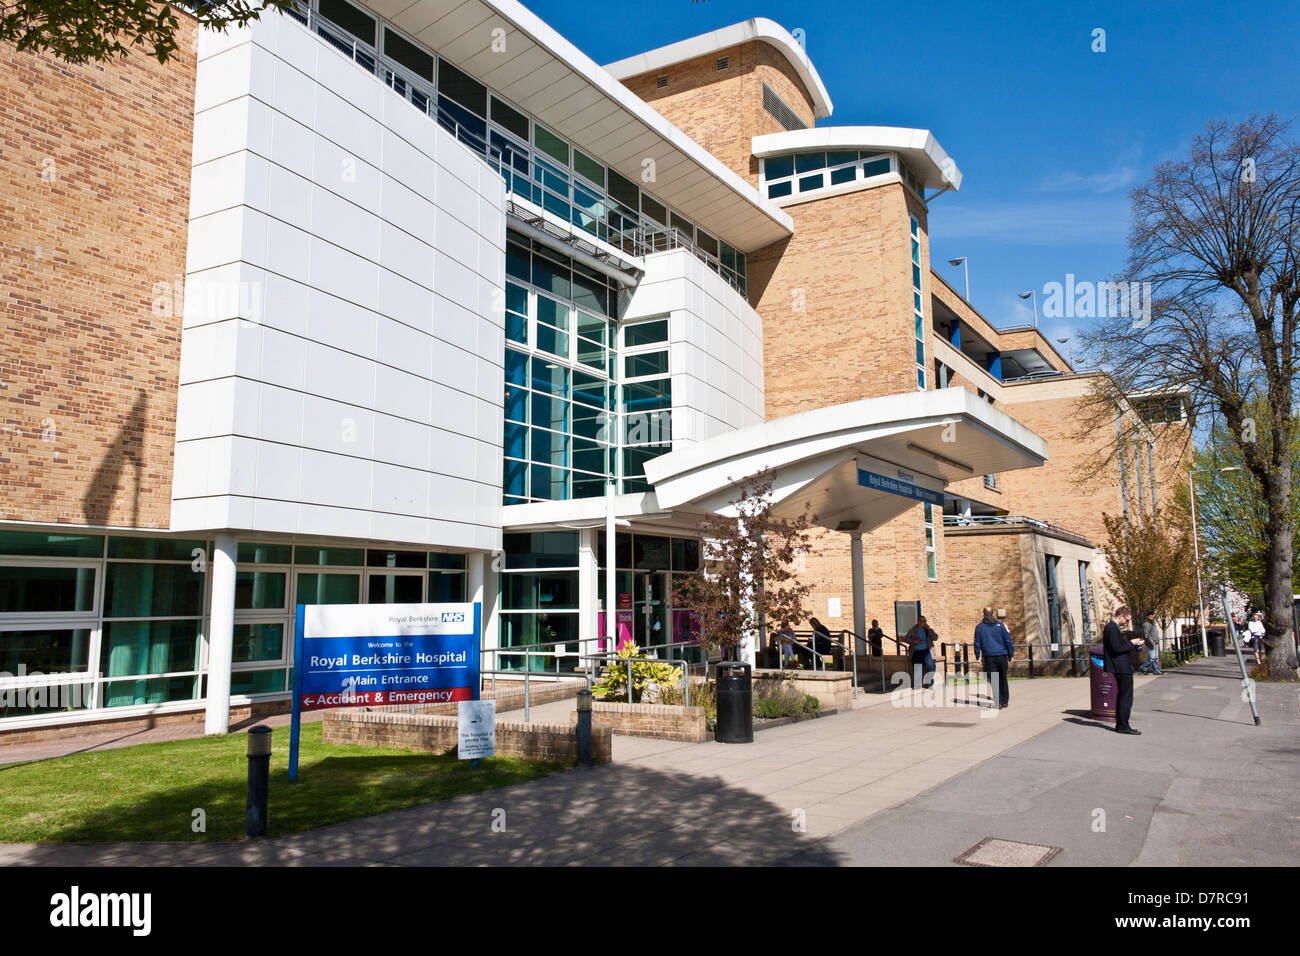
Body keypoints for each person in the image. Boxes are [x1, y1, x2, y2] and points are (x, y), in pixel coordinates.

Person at [1103, 605, 1144, 735]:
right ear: (1121, 616)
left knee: (1124, 696)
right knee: (1126, 697)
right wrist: (1131, 643)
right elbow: (1117, 648)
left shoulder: (1113, 628)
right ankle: (1123, 725)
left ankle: (1122, 724)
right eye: (1127, 620)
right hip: (1120, 667)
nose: (1127, 623)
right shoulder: (1112, 628)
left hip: (1121, 666)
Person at [973, 606, 1013, 708]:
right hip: (1002, 655)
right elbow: (1007, 641)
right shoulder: (1000, 626)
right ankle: (1004, 701)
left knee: (994, 680)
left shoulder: (979, 627)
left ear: (984, 614)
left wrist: (978, 656)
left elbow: (977, 643)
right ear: (993, 614)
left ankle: (998, 701)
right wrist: (1010, 654)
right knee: (1003, 678)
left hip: (989, 656)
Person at [903, 616, 938, 688]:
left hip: (927, 651)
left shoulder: (928, 630)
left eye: (925, 621)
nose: (924, 623)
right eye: (922, 621)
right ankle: (918, 685)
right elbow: (906, 639)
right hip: (916, 651)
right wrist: (914, 642)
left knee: (930, 665)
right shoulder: (913, 630)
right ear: (918, 622)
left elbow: (935, 638)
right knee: (917, 668)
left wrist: (930, 629)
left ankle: (929, 683)